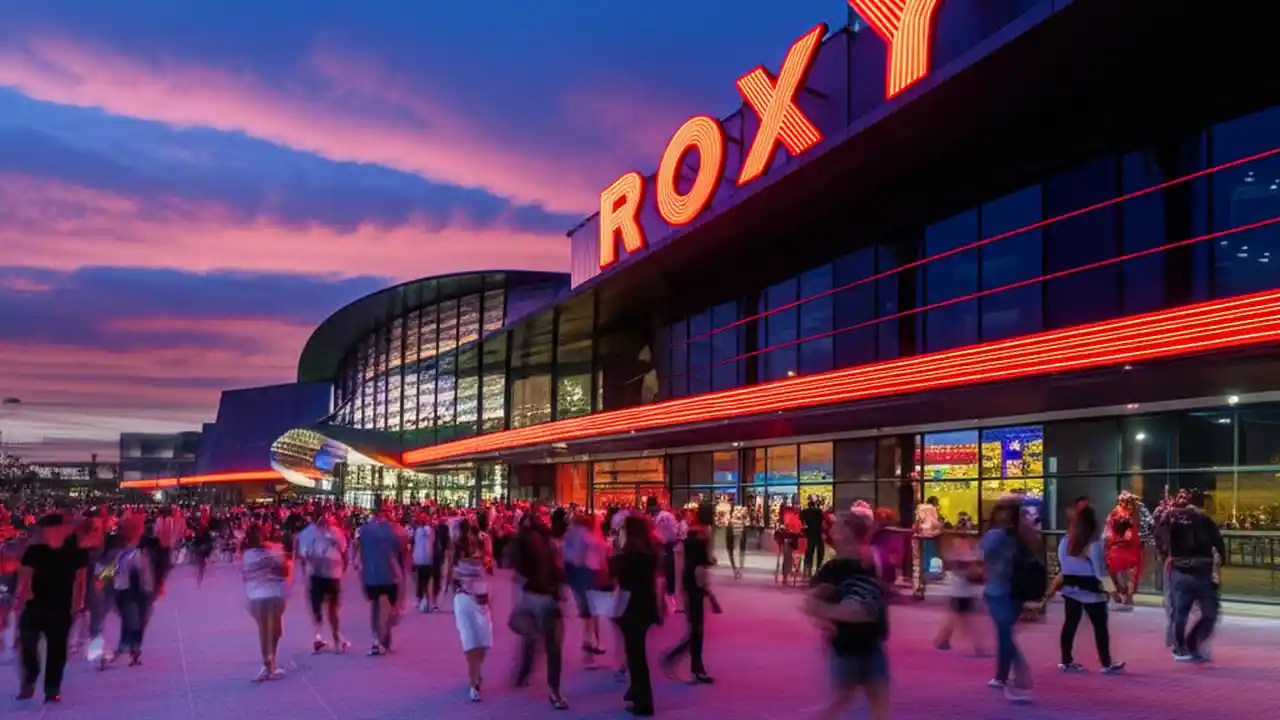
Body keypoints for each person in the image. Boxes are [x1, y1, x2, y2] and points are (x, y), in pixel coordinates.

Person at [805, 503, 890, 720]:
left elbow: (876, 593)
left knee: (878, 699)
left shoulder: (870, 562)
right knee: (840, 700)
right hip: (847, 646)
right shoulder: (834, 569)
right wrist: (838, 613)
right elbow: (810, 604)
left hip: (872, 642)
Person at [15, 512, 88, 703]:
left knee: (57, 649)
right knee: (27, 641)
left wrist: (78, 603)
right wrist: (19, 600)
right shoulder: (34, 551)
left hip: (61, 607)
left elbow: (81, 579)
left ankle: (52, 687)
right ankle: (31, 675)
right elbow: (24, 578)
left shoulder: (75, 551)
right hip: (35, 605)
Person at [1043, 506, 1125, 673]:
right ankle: (1106, 663)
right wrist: (1113, 592)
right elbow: (1100, 571)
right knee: (1100, 627)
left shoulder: (1065, 542)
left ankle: (1066, 660)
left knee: (1070, 624)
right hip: (1092, 591)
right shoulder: (1094, 544)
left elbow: (1064, 568)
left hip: (1071, 589)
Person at [980, 495, 1039, 703]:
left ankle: (1021, 679)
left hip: (998, 590)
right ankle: (1003, 676)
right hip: (1016, 591)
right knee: (1005, 633)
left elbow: (983, 556)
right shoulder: (1025, 534)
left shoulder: (995, 535)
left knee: (1005, 635)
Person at [510, 506, 570, 710]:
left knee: (533, 638)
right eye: (543, 515)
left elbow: (518, 567)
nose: (546, 518)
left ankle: (524, 674)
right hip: (543, 596)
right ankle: (554, 691)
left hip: (533, 594)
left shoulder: (530, 538)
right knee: (552, 645)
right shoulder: (544, 540)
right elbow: (552, 567)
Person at [1160, 489, 1224, 662]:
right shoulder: (1205, 521)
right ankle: (1191, 644)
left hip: (1180, 571)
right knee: (1209, 612)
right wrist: (1218, 567)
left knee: (1180, 613)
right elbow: (1219, 546)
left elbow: (1161, 540)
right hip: (1201, 572)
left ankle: (1181, 648)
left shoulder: (1174, 519)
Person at [611, 514, 661, 717]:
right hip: (646, 606)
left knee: (636, 656)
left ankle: (643, 701)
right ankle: (636, 693)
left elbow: (616, 582)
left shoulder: (626, 557)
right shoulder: (649, 554)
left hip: (631, 609)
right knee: (636, 653)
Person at [662, 502, 717, 684]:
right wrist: (708, 591)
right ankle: (678, 660)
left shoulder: (691, 533)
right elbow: (702, 565)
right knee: (696, 629)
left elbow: (687, 561)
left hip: (689, 583)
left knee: (695, 627)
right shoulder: (703, 536)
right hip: (695, 585)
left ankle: (696, 667)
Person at [447, 519, 494, 702]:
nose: (471, 540)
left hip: (482, 601)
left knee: (483, 643)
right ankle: (473, 682)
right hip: (464, 599)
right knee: (471, 643)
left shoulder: (484, 550)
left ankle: (477, 672)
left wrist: (485, 561)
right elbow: (451, 573)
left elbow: (489, 571)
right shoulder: (455, 550)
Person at [357, 505, 410, 656]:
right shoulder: (397, 532)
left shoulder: (365, 531)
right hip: (389, 576)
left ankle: (378, 640)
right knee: (386, 611)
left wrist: (361, 572)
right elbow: (402, 555)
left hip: (371, 576)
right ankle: (381, 642)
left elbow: (360, 553)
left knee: (375, 609)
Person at [296, 509, 350, 653]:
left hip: (326, 574)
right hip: (321, 574)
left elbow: (343, 550)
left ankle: (329, 637)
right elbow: (305, 555)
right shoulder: (310, 533)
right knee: (323, 607)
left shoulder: (334, 532)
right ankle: (324, 637)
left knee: (326, 607)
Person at [242, 522, 289, 681]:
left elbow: (245, 575)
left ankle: (268, 660)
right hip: (269, 594)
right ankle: (269, 661)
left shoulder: (249, 555)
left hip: (258, 595)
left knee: (269, 629)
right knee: (271, 629)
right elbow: (283, 571)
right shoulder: (272, 550)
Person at [563, 512, 608, 665]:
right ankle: (591, 645)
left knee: (587, 613)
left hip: (578, 575)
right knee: (591, 612)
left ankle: (589, 645)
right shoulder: (585, 535)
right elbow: (581, 557)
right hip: (588, 574)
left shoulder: (570, 534)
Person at [113, 514, 156, 667]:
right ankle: (128, 648)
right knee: (134, 622)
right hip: (129, 592)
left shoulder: (138, 551)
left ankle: (132, 649)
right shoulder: (122, 552)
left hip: (136, 592)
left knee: (136, 621)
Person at [933, 537, 985, 654]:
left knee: (957, 619)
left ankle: (943, 641)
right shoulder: (960, 560)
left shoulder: (961, 558)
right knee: (964, 620)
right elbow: (969, 572)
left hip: (962, 592)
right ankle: (978, 647)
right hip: (960, 593)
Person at [1104, 493, 1143, 610]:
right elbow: (1110, 534)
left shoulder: (1119, 514)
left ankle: (1119, 594)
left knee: (1105, 571)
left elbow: (1109, 534)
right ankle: (1121, 595)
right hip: (1121, 550)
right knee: (1107, 571)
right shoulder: (1120, 514)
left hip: (1124, 550)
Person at [411, 513, 439, 613]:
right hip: (420, 559)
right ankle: (421, 598)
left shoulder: (429, 530)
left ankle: (428, 601)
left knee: (427, 580)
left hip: (426, 559)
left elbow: (430, 538)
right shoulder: (418, 530)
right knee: (421, 579)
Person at [801, 497, 828, 579]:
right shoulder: (819, 512)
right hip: (818, 534)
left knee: (809, 552)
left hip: (809, 534)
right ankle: (817, 570)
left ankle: (807, 571)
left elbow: (803, 523)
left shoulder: (804, 512)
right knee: (820, 552)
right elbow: (824, 524)